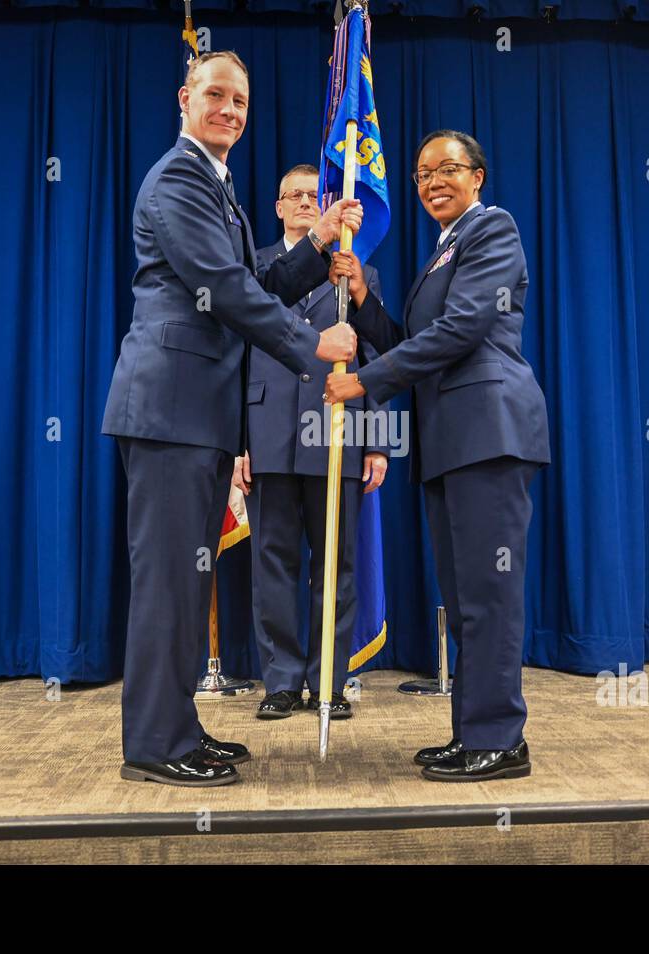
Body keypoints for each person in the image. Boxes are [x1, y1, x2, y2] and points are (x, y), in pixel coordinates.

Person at [102, 51, 363, 787]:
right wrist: (314, 343)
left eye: (241, 100)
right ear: (185, 98)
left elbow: (257, 281)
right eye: (216, 94)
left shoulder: (219, 188)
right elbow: (223, 287)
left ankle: (177, 726)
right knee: (166, 582)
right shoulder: (179, 179)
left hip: (198, 415)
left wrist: (316, 243)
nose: (230, 110)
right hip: (169, 409)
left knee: (188, 581)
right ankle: (153, 744)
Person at [326, 130, 550, 782]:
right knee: (465, 595)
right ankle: (473, 732)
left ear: (478, 176)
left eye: (447, 169)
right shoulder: (442, 252)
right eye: (422, 174)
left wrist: (364, 381)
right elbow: (413, 339)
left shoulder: (493, 229)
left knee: (490, 595)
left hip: (489, 433)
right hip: (450, 443)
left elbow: (461, 331)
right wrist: (365, 303)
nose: (432, 183)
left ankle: (501, 740)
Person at [232, 164, 388, 722]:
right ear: (277, 207)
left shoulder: (355, 271)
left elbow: (375, 358)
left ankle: (329, 681)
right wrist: (236, 444)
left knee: (336, 565)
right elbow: (237, 358)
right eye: (291, 195)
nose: (302, 202)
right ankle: (279, 681)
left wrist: (375, 442)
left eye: (311, 194)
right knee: (272, 563)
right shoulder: (253, 270)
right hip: (267, 434)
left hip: (337, 434)